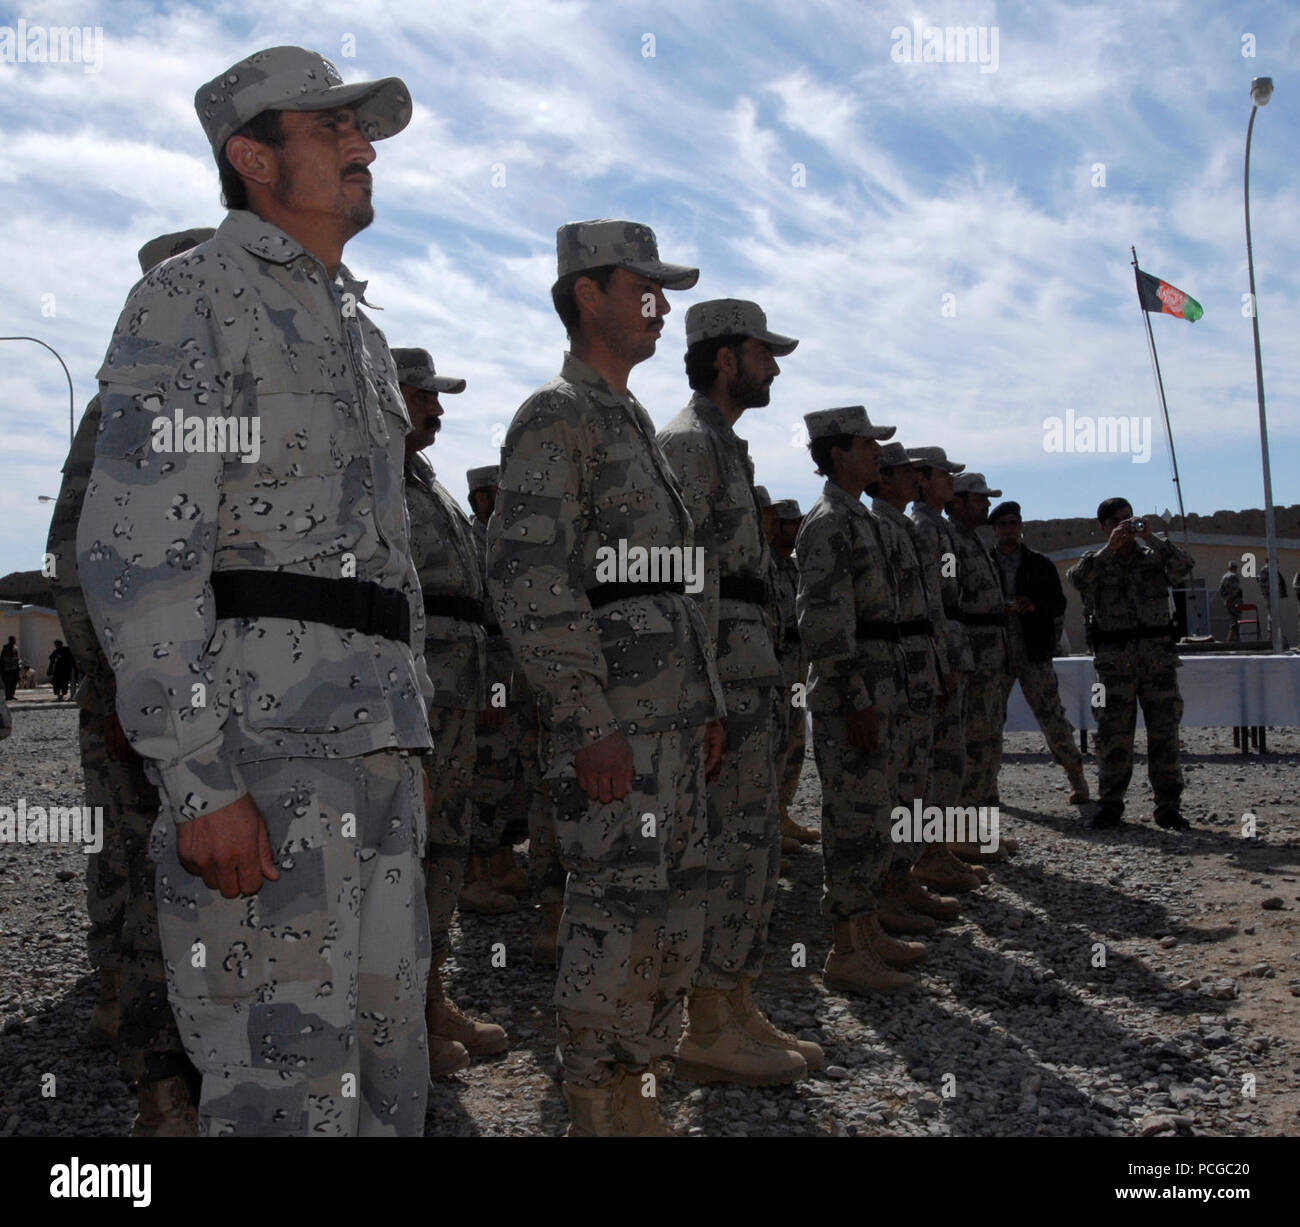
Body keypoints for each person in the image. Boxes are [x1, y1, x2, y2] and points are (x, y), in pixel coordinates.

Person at [77, 46, 433, 1136]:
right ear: (253, 159)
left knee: (386, 1085)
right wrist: (198, 778)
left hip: (372, 751)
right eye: (332, 130)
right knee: (281, 1093)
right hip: (262, 758)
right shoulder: (193, 299)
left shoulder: (357, 331)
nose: (362, 147)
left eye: (360, 130)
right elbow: (138, 549)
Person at [487, 218, 725, 1135]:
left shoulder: (628, 419)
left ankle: (640, 1088)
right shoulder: (559, 413)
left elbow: (665, 586)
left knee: (671, 911)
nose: (661, 306)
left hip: (666, 722)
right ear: (588, 293)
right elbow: (529, 576)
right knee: (615, 913)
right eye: (643, 287)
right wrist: (589, 718)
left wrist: (701, 700)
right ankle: (595, 1099)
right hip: (615, 725)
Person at [46, 229, 214, 1136]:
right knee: (140, 863)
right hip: (137, 688)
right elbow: (80, 551)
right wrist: (116, 687)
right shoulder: (120, 404)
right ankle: (152, 1063)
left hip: (205, 682)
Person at [658, 299, 818, 1084]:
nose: (774, 367)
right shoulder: (689, 446)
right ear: (725, 358)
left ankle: (737, 998)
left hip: (751, 674)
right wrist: (705, 695)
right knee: (724, 849)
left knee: (754, 847)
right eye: (764, 353)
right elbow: (683, 580)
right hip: (724, 680)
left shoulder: (723, 446)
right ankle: (708, 1021)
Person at [393, 347, 510, 1077]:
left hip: (457, 695)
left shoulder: (427, 484)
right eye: (425, 395)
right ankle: (397, 1019)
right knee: (404, 858)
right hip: (413, 701)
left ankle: (430, 994)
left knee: (445, 851)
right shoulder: (370, 478)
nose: (438, 408)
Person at [796, 406, 924, 995]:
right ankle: (846, 949)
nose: (878, 453)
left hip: (881, 680)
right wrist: (856, 698)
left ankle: (866, 930)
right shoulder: (829, 522)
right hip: (856, 689)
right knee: (852, 820)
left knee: (877, 817)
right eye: (868, 444)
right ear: (837, 451)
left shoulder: (861, 519)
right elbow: (825, 624)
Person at [467, 464, 560, 961]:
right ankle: (479, 871)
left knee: (510, 775)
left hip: (511, 658)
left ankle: (501, 861)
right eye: (494, 493)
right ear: (481, 497)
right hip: (494, 660)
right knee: (489, 772)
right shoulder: (481, 538)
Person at [868, 443, 957, 937]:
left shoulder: (902, 525)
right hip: (898, 664)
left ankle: (905, 876)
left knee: (917, 779)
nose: (914, 481)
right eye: (903, 473)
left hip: (918, 660)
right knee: (900, 784)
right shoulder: (882, 525)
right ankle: (888, 886)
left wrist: (940, 663)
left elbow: (929, 607)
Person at [1068, 499, 1194, 831]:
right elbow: (1079, 581)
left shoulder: (1153, 559)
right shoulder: (1095, 562)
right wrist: (1111, 549)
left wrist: (1151, 538)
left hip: (1157, 660)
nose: (1124, 526)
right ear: (1103, 526)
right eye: (1116, 522)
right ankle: (1110, 805)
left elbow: (1184, 567)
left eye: (1129, 520)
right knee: (1113, 736)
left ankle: (1168, 806)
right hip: (1113, 665)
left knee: (1164, 735)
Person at [906, 447, 983, 895]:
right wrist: (940, 660)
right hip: (941, 648)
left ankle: (939, 847)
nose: (951, 482)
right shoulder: (924, 527)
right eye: (945, 475)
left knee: (953, 754)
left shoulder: (935, 525)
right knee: (939, 758)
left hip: (952, 641)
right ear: (923, 478)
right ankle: (928, 854)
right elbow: (929, 597)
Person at [988, 501, 1089, 803]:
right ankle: (987, 785)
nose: (1008, 530)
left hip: (1032, 647)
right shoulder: (984, 562)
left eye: (1012, 523)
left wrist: (1034, 606)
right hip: (996, 648)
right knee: (990, 721)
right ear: (994, 529)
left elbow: (1058, 604)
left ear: (1020, 527)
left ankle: (1076, 777)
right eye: (1002, 524)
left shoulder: (1039, 564)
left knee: (1052, 716)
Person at [945, 472, 1013, 862]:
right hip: (972, 650)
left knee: (989, 744)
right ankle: (960, 834)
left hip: (991, 653)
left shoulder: (973, 540)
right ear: (958, 501)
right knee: (972, 744)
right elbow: (950, 600)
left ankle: (979, 830)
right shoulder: (951, 541)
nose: (986, 506)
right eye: (978, 499)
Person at [765, 496, 819, 852]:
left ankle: (782, 812)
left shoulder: (795, 569)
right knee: (773, 742)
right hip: (777, 663)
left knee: (795, 740)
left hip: (799, 667)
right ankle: (767, 824)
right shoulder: (764, 567)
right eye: (791, 523)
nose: (798, 529)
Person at [1219, 561, 1243, 642]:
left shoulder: (1224, 577)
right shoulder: (1233, 576)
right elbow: (1235, 590)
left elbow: (1221, 590)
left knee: (1233, 620)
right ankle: (1233, 639)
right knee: (1236, 620)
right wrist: (1232, 598)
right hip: (1234, 601)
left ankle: (1232, 638)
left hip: (1228, 601)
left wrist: (1226, 599)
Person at [1, 636, 20, 701]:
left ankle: (12, 695)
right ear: (10, 640)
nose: (14, 641)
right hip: (7, 669)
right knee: (8, 683)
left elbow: (17, 657)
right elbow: (3, 658)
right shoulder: (5, 647)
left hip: (14, 669)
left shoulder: (15, 647)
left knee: (14, 683)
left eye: (14, 639)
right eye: (13, 639)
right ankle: (7, 695)